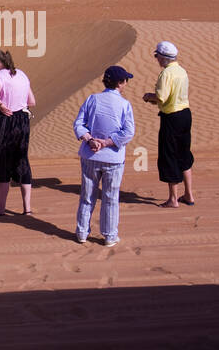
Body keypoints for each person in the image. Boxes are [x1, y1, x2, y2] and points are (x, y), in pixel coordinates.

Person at [73, 65, 136, 246]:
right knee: (110, 197)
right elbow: (128, 132)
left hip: (90, 156)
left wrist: (91, 140)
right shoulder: (124, 104)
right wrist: (107, 142)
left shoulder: (92, 99)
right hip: (112, 159)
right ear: (120, 83)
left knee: (87, 195)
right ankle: (109, 235)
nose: (126, 84)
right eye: (125, 81)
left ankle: (82, 232)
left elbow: (79, 124)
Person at [142, 40, 196, 207]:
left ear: (164, 58)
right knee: (184, 154)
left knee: (169, 155)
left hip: (172, 118)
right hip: (185, 115)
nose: (156, 59)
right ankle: (189, 195)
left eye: (157, 56)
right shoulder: (181, 71)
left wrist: (148, 96)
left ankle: (173, 199)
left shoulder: (166, 74)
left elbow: (161, 97)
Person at [0, 48, 35, 216]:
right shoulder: (22, 74)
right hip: (22, 121)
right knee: (22, 161)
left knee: (3, 161)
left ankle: (1, 209)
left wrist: (0, 105)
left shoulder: (0, 76)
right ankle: (27, 208)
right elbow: (32, 101)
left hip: (5, 120)